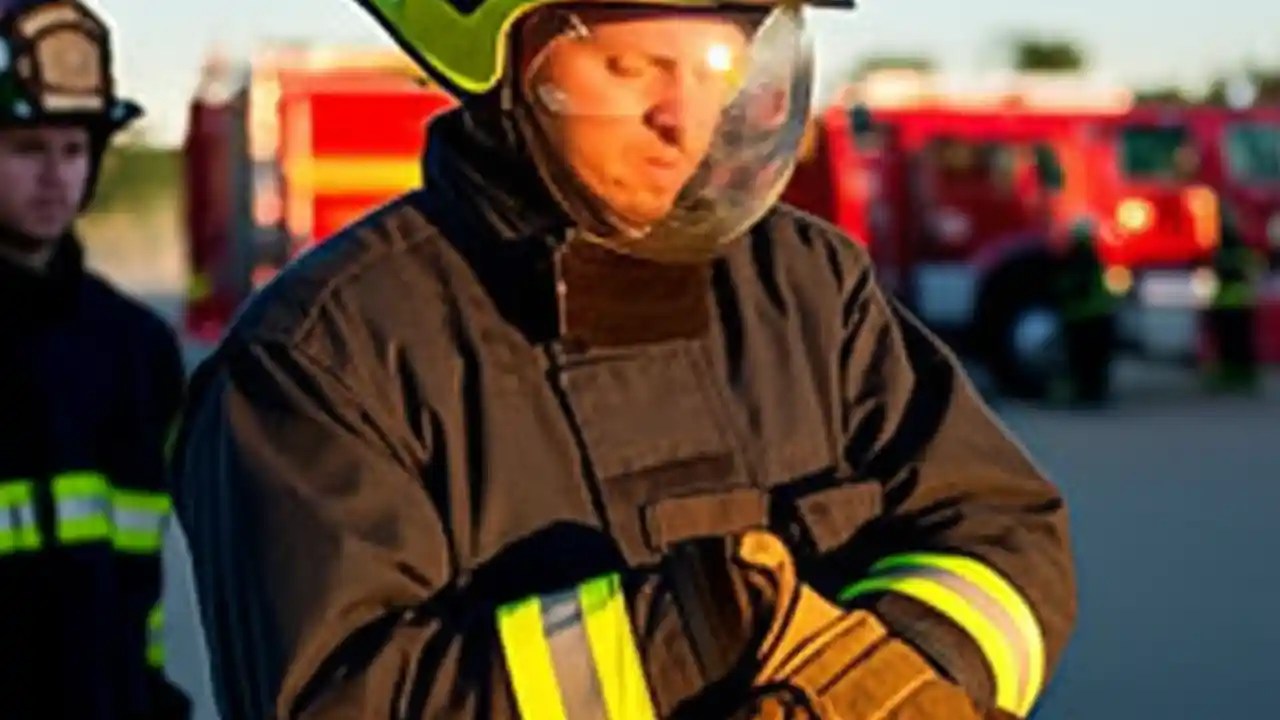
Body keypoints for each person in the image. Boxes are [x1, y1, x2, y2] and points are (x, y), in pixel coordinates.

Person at [172, 0, 1077, 717]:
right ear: (510, 68)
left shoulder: (812, 286)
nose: (685, 120)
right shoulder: (322, 358)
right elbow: (338, 699)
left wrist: (880, 680)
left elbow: (1004, 535)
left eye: (719, 70)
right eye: (630, 67)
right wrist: (698, 633)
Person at [0, 1, 190, 718]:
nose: (55, 176)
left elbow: (137, 584)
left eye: (74, 150)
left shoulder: (134, 348)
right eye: (27, 149)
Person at [1053, 217, 1118, 405]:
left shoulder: (1079, 258)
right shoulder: (1093, 256)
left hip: (1083, 319)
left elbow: (1076, 286)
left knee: (1083, 360)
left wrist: (1058, 290)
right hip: (1098, 317)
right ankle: (1094, 393)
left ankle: (1087, 394)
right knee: (1095, 361)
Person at [1203, 209, 1263, 392]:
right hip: (1235, 301)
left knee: (1233, 344)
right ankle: (1238, 377)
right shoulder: (1236, 245)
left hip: (1231, 301)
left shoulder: (1224, 246)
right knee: (1235, 344)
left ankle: (1236, 377)